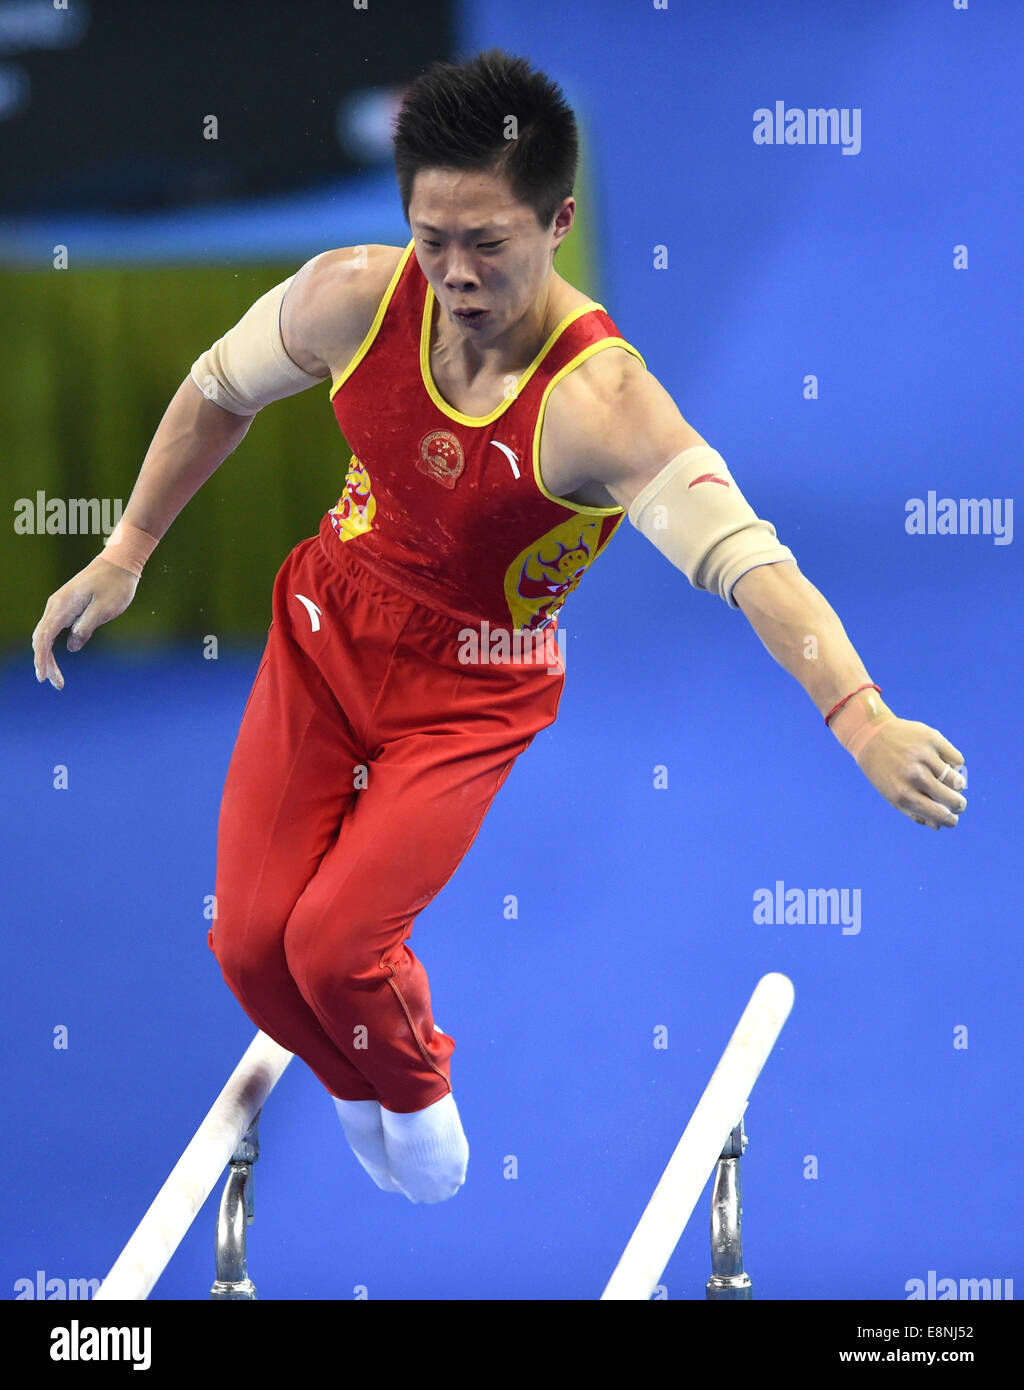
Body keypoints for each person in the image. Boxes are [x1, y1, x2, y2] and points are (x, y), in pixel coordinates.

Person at [30, 49, 967, 1206]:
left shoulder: (602, 408)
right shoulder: (349, 295)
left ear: (560, 221)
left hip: (468, 692)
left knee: (330, 949)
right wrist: (130, 546)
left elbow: (755, 569)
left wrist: (859, 718)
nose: (457, 273)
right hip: (324, 634)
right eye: (434, 239)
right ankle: (366, 1069)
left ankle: (415, 1083)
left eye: (491, 243)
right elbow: (217, 390)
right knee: (248, 950)